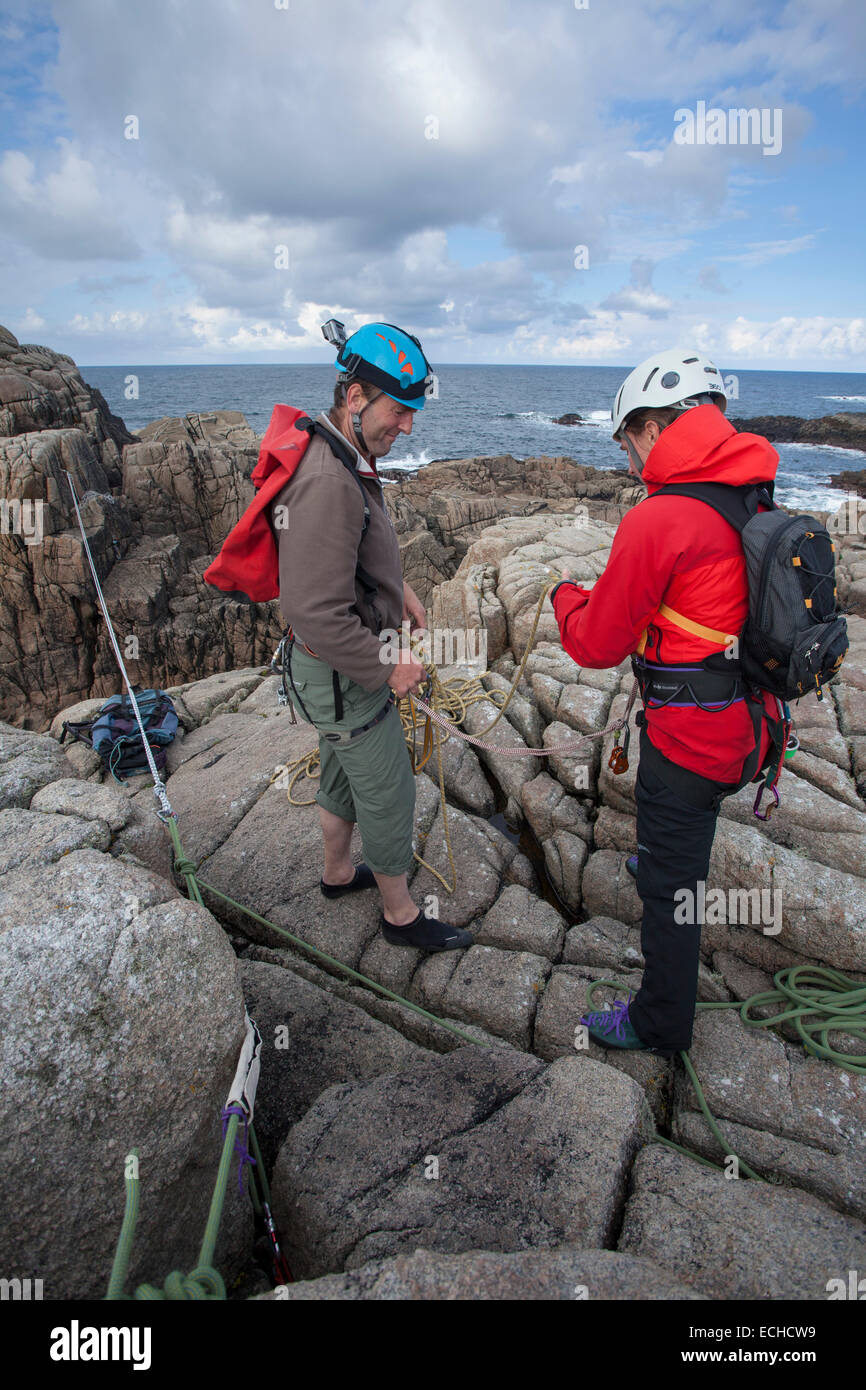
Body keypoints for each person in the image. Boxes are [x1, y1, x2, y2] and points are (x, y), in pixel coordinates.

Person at [549, 349, 781, 1056]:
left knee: (670, 899)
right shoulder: (754, 491)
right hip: (750, 725)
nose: (627, 462)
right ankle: (667, 862)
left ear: (654, 428)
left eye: (626, 442)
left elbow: (594, 642)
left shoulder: (662, 516)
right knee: (682, 842)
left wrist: (565, 596)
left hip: (689, 743)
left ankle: (660, 1026)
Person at [272, 321, 472, 953]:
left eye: (413, 412)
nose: (408, 426)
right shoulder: (330, 480)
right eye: (399, 410)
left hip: (333, 678)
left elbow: (356, 554)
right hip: (342, 673)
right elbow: (313, 610)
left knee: (338, 765)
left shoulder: (344, 454)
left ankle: (336, 874)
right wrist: (386, 668)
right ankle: (401, 916)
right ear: (354, 397)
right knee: (388, 788)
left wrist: (400, 590)